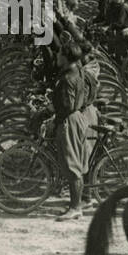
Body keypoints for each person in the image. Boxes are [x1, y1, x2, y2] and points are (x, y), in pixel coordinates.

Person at [51, 43, 98, 222]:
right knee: (77, 163)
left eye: (60, 54)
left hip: (69, 120)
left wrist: (54, 117)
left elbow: (68, 106)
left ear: (65, 57)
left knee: (72, 166)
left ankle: (75, 208)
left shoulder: (67, 79)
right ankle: (77, 203)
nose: (57, 56)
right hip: (77, 117)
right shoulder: (77, 70)